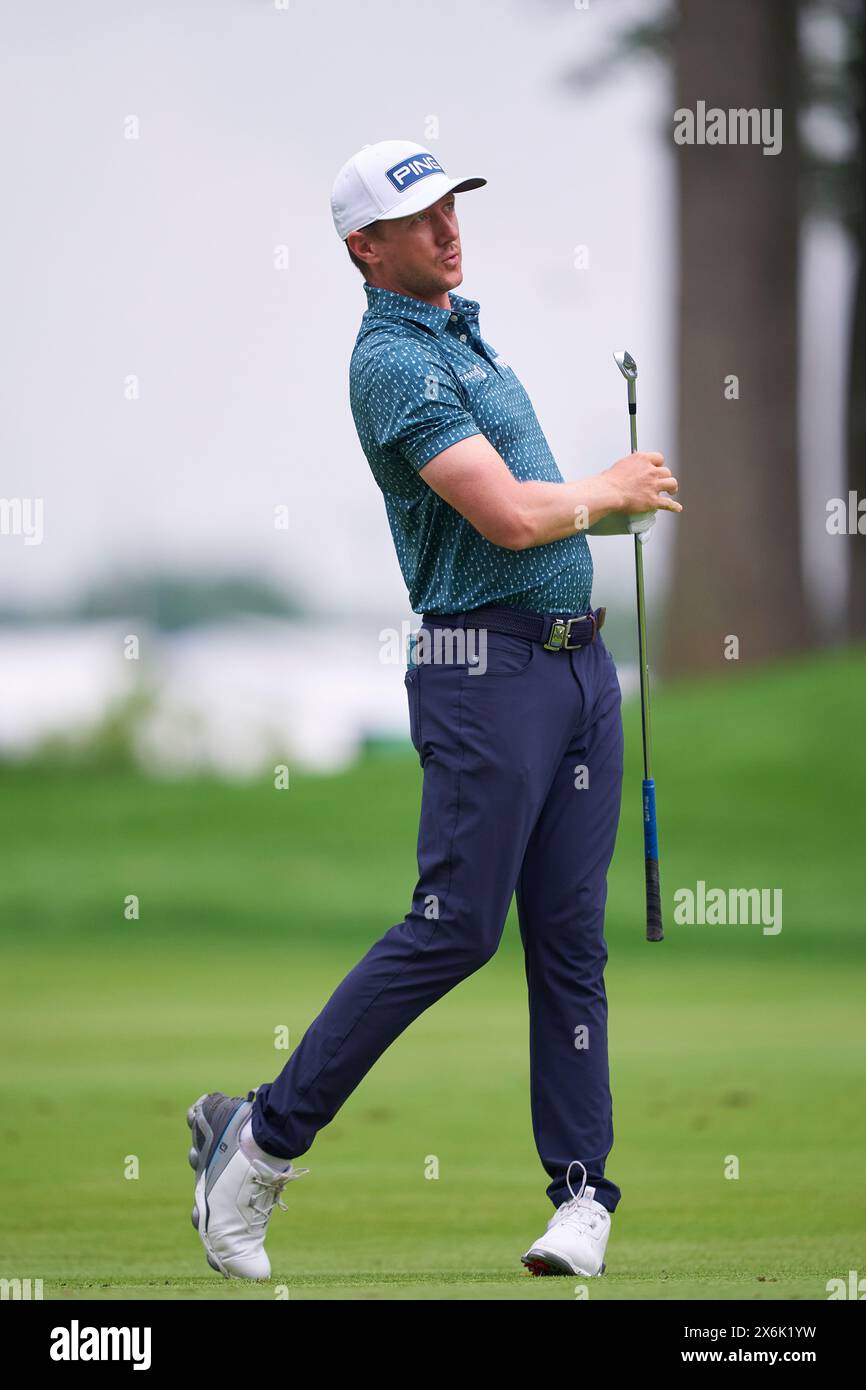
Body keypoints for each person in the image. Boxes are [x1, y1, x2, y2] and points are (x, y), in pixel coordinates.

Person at [186, 139, 682, 1282]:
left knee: (568, 941)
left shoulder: (465, 339)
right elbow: (508, 520)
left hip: (575, 674)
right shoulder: (390, 363)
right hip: (480, 672)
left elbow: (530, 513)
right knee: (456, 925)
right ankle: (256, 1143)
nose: (447, 229)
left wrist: (612, 506)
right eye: (419, 219)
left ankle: (578, 1194)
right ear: (363, 248)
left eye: (451, 206)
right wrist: (599, 491)